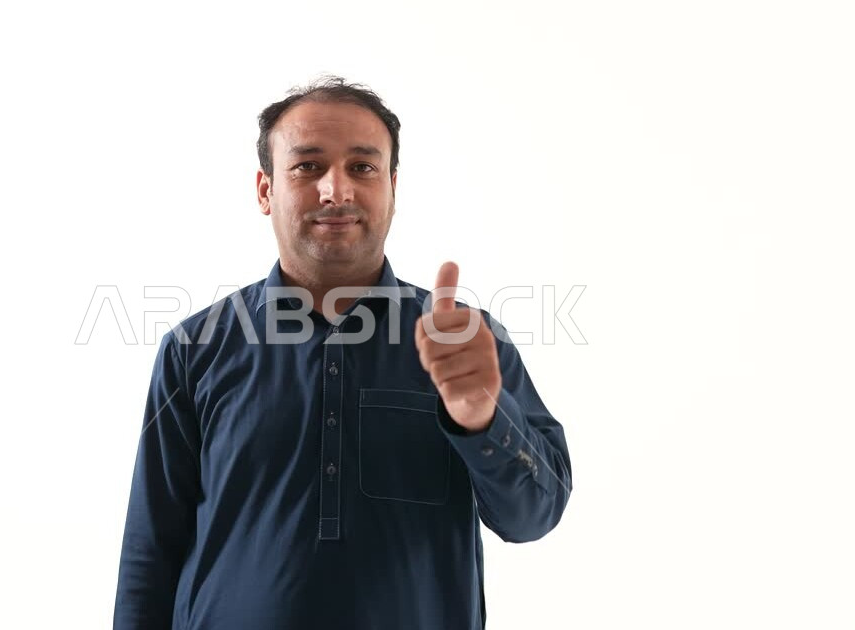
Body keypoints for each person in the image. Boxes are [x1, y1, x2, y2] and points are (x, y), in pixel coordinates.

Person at [113, 76, 573, 630]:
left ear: (393, 190)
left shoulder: (466, 346)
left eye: (363, 167)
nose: (337, 190)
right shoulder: (195, 351)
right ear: (265, 190)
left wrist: (482, 418)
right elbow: (150, 555)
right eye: (308, 167)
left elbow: (534, 517)